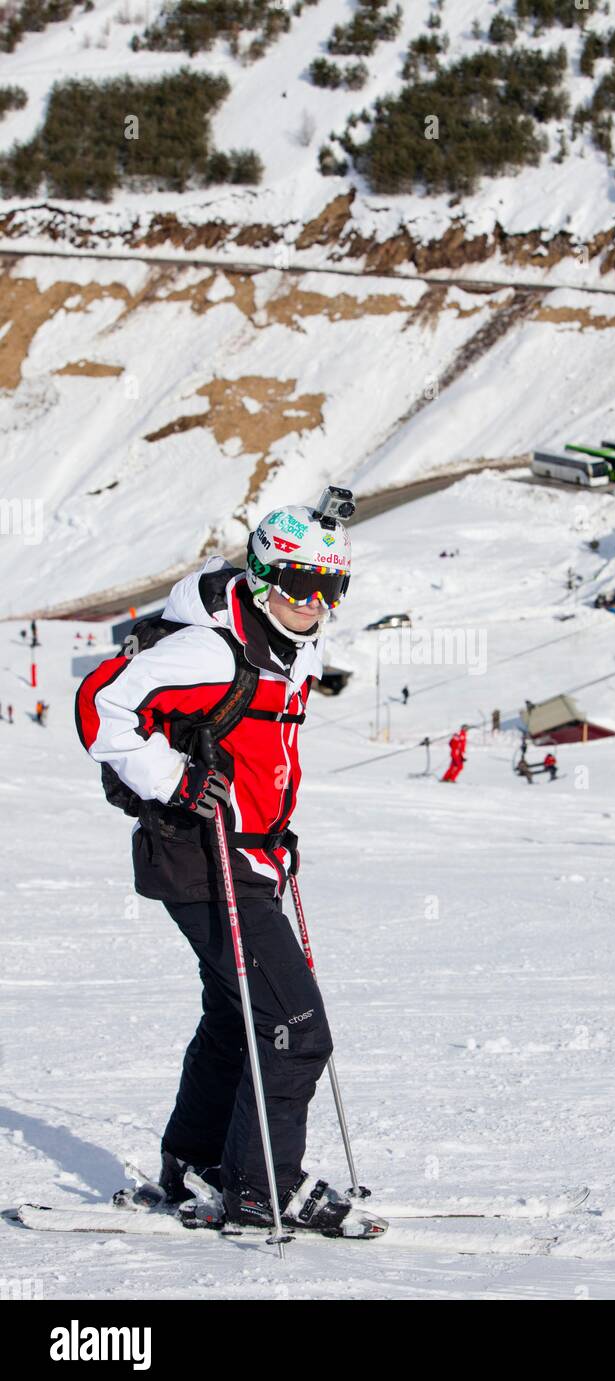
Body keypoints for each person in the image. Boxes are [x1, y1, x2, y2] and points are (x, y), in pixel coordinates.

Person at [78, 498, 362, 1234]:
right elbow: (98, 702)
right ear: (265, 578)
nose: (315, 605)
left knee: (239, 1017)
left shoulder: (287, 640)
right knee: (296, 1027)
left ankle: (195, 1163)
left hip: (248, 859)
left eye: (332, 588)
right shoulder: (208, 651)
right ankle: (260, 1188)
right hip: (201, 858)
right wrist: (172, 779)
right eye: (301, 585)